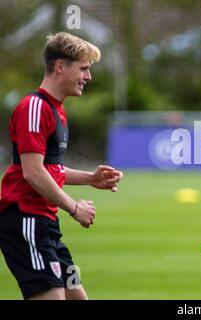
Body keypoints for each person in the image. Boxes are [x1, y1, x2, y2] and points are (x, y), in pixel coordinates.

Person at [0, 32, 124, 300]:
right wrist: (74, 207)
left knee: (77, 297)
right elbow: (32, 172)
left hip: (47, 224)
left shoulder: (57, 109)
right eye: (83, 68)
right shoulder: (35, 106)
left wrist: (91, 178)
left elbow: (49, 168)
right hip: (26, 220)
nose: (88, 77)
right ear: (60, 66)